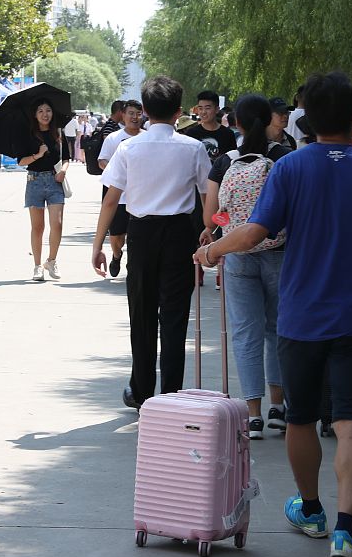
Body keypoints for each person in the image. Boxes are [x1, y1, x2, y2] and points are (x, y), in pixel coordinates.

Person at [194, 71, 352, 557]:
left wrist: (211, 251)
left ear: (307, 120)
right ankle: (347, 530)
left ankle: (312, 510)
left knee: (299, 417)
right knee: (350, 420)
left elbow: (255, 232)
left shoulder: (291, 167)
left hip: (301, 317)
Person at [92, 76, 211, 409]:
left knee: (142, 314)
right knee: (175, 317)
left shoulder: (129, 147)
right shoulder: (193, 147)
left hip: (142, 234)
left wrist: (98, 244)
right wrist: (209, 231)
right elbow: (207, 195)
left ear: (144, 109)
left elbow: (111, 199)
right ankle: (171, 394)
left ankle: (142, 390)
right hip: (180, 234)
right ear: (179, 112)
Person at [201, 94, 292, 439]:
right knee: (277, 329)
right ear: (269, 119)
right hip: (279, 251)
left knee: (245, 332)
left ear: (235, 122)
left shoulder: (225, 161)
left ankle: (253, 415)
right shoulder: (284, 158)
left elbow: (211, 215)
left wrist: (224, 229)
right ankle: (278, 408)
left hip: (237, 254)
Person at [19, 101, 68, 281]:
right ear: (35, 114)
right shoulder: (28, 134)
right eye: (40, 111)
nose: (44, 114)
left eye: (48, 110)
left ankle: (51, 261)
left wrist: (63, 171)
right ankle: (37, 266)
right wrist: (38, 155)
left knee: (57, 224)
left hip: (55, 181)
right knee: (38, 227)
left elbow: (66, 158)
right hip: (34, 181)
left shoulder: (58, 133)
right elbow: (21, 161)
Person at [97, 100, 144, 277]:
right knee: (117, 236)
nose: (135, 117)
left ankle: (134, 266)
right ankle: (116, 256)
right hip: (118, 196)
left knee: (137, 235)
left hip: (140, 196)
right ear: (123, 115)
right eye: (131, 113)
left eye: (138, 114)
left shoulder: (147, 137)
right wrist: (116, 172)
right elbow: (102, 160)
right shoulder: (113, 138)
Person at [180, 90, 237, 161]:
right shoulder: (191, 134)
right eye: (200, 108)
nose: (203, 112)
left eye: (207, 108)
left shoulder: (228, 134)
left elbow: (232, 160)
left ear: (217, 109)